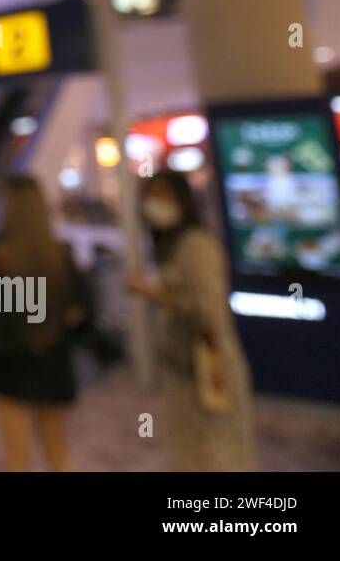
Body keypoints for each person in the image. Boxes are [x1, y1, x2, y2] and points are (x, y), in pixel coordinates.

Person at [128, 170, 255, 471]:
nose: (155, 204)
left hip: (209, 368)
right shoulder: (171, 246)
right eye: (151, 196)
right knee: (191, 453)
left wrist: (157, 294)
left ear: (183, 200)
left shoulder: (197, 244)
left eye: (164, 195)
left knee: (218, 455)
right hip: (183, 369)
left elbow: (211, 313)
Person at [0, 175, 88, 471]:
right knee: (58, 452)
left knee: (17, 457)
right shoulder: (60, 255)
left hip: (9, 362)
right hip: (53, 359)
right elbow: (81, 313)